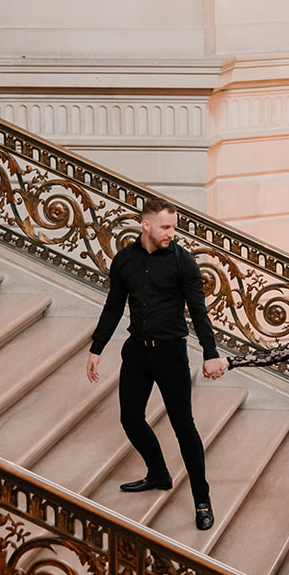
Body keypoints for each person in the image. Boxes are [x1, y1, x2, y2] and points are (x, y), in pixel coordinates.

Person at [86, 195, 227, 530]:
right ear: (145, 224)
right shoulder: (124, 261)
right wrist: (97, 346)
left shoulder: (183, 262)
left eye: (173, 227)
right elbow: (113, 306)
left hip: (171, 354)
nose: (171, 233)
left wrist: (210, 353)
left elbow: (198, 312)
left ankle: (202, 500)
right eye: (165, 227)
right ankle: (159, 473)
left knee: (184, 427)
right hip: (137, 351)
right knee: (131, 418)